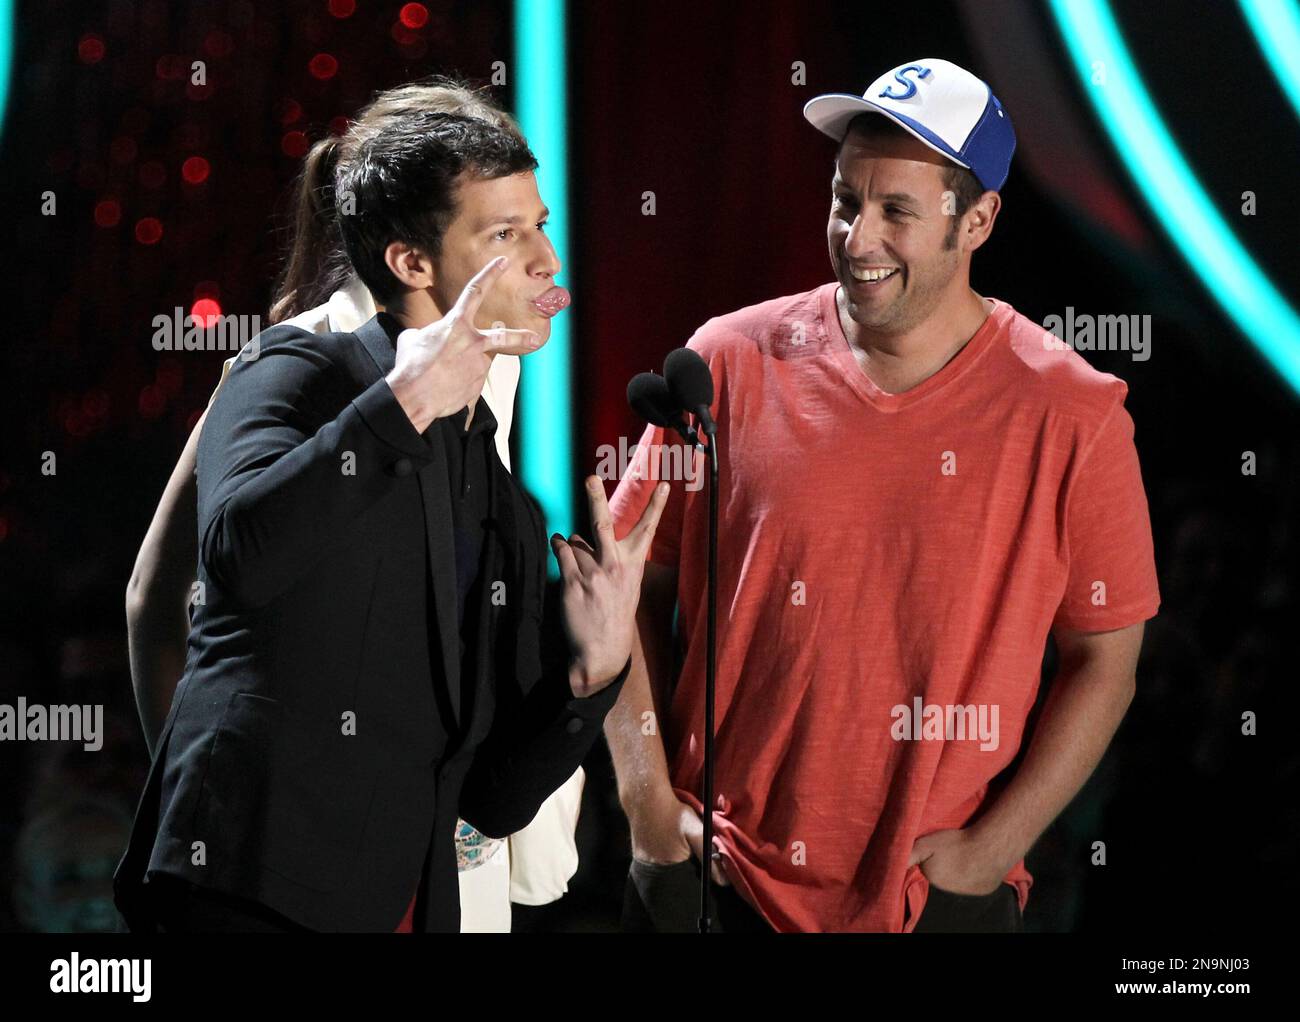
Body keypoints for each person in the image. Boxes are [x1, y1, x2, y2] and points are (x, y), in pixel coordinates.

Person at [606, 58, 1160, 932]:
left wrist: (986, 853)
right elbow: (624, 591)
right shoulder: (727, 360)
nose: (857, 238)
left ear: (976, 220)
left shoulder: (1075, 414)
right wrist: (644, 803)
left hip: (931, 904)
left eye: (896, 210)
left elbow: (1106, 664)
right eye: (844, 200)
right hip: (713, 884)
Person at [113, 106, 671, 932]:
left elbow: (496, 797)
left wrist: (593, 670)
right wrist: (403, 404)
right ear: (411, 261)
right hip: (251, 894)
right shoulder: (293, 368)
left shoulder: (497, 480)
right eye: (505, 235)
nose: (547, 260)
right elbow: (235, 559)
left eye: (541, 226)